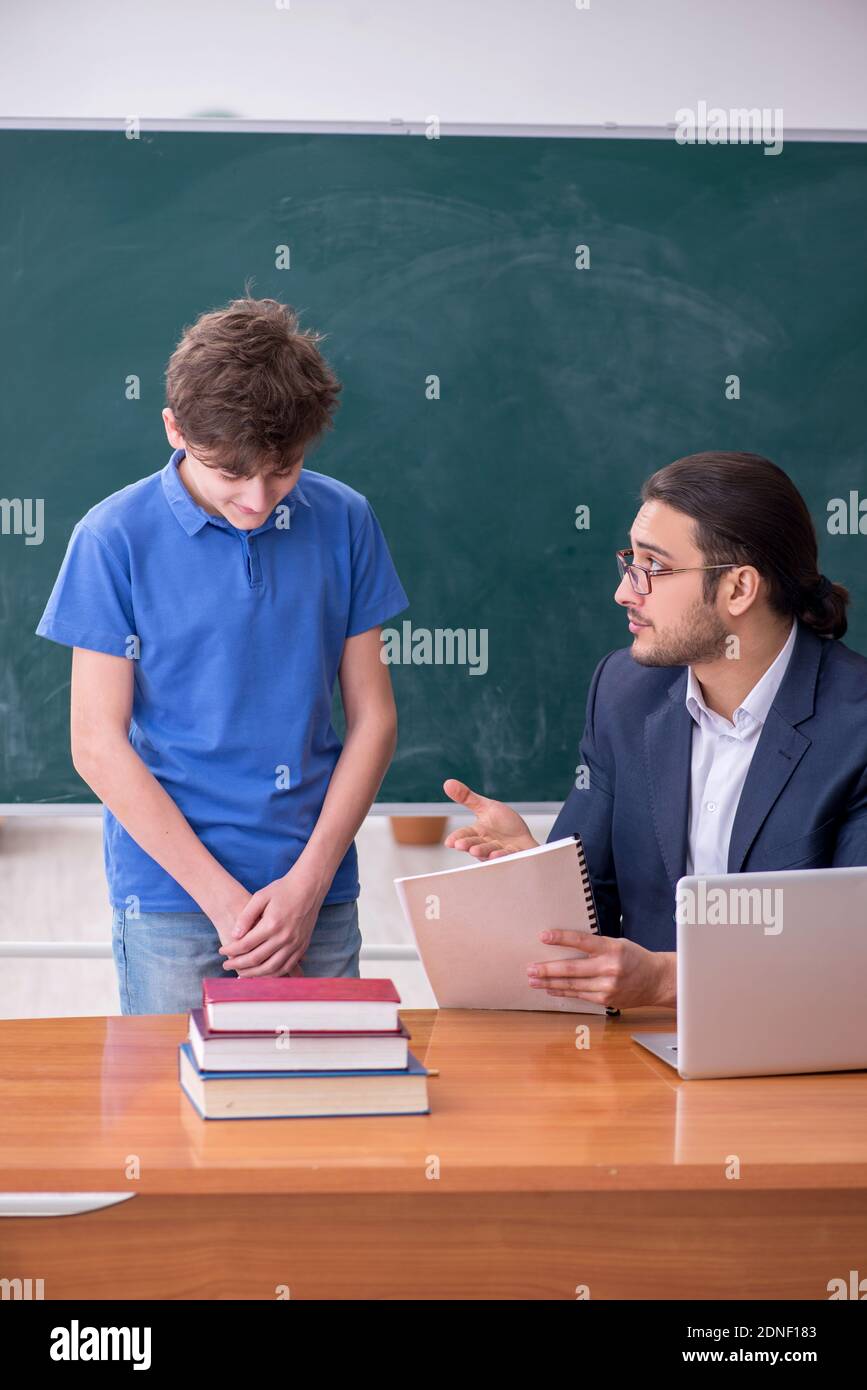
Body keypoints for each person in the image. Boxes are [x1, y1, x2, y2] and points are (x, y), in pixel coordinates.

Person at [36, 295, 408, 1013]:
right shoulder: (112, 538)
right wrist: (225, 902)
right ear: (174, 429)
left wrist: (306, 886)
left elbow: (374, 721)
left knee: (331, 1107)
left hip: (317, 887)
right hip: (172, 901)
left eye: (283, 471)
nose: (258, 499)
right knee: (178, 1116)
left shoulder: (345, 521)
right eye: (230, 475)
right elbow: (95, 742)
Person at [443, 451, 867, 1011]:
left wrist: (671, 980)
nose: (625, 592)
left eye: (655, 567)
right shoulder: (623, 691)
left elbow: (851, 955)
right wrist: (532, 871)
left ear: (739, 589)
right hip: (642, 1057)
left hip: (801, 1066)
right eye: (630, 561)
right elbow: (591, 912)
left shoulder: (854, 723)